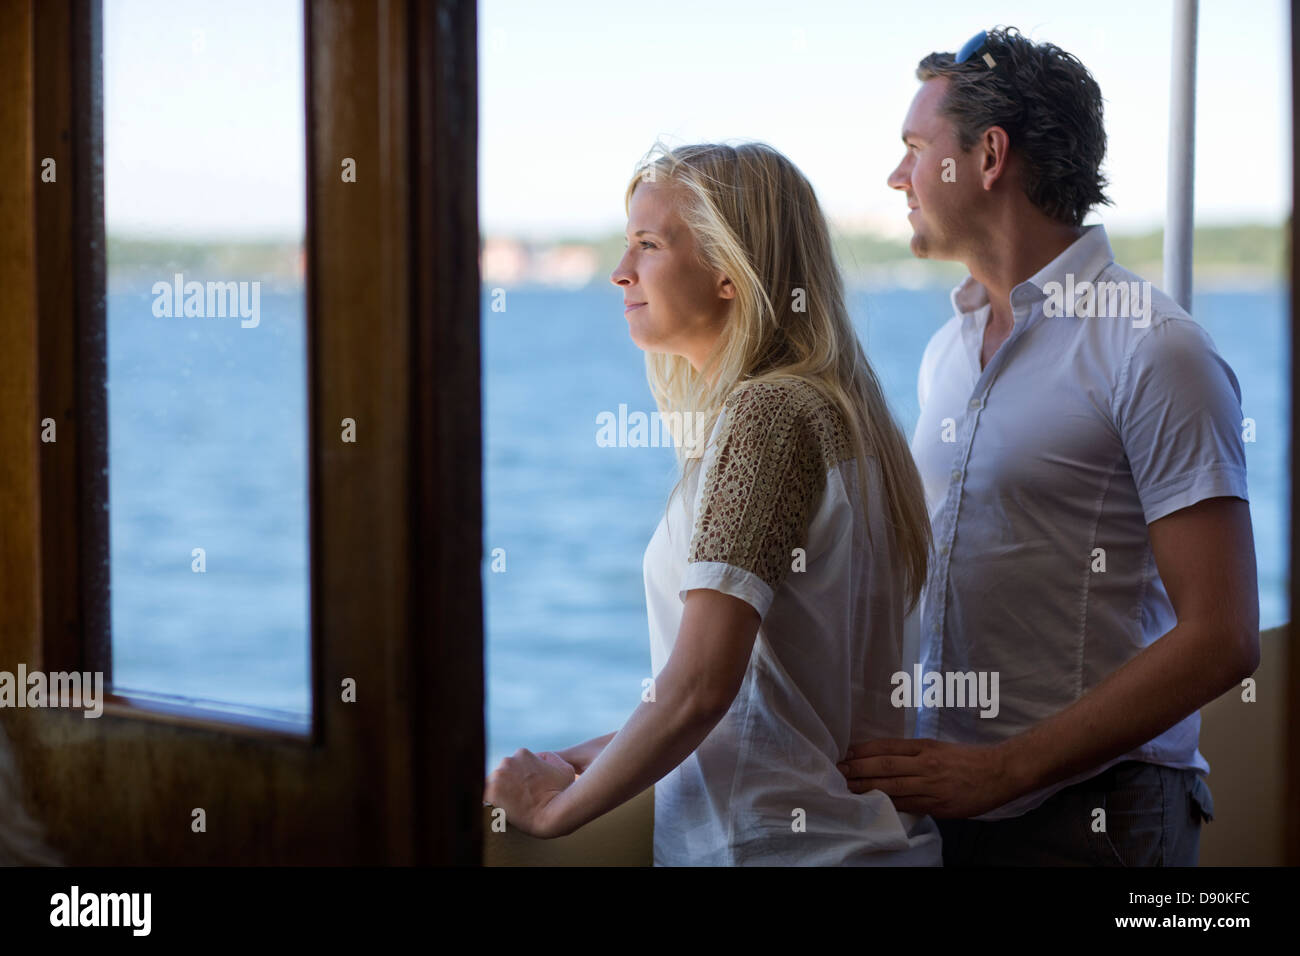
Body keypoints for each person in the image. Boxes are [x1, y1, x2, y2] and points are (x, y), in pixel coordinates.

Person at [838, 27, 1259, 866]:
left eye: (916, 149)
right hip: (951, 812)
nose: (896, 177)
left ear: (988, 156)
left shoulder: (1154, 348)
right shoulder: (946, 353)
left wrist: (1002, 771)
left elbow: (1223, 635)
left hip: (1099, 819)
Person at [484, 141, 942, 865]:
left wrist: (556, 809)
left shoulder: (767, 416)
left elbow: (700, 687)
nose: (619, 272)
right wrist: (570, 759)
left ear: (731, 272)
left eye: (648, 245)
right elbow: (757, 706)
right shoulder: (845, 418)